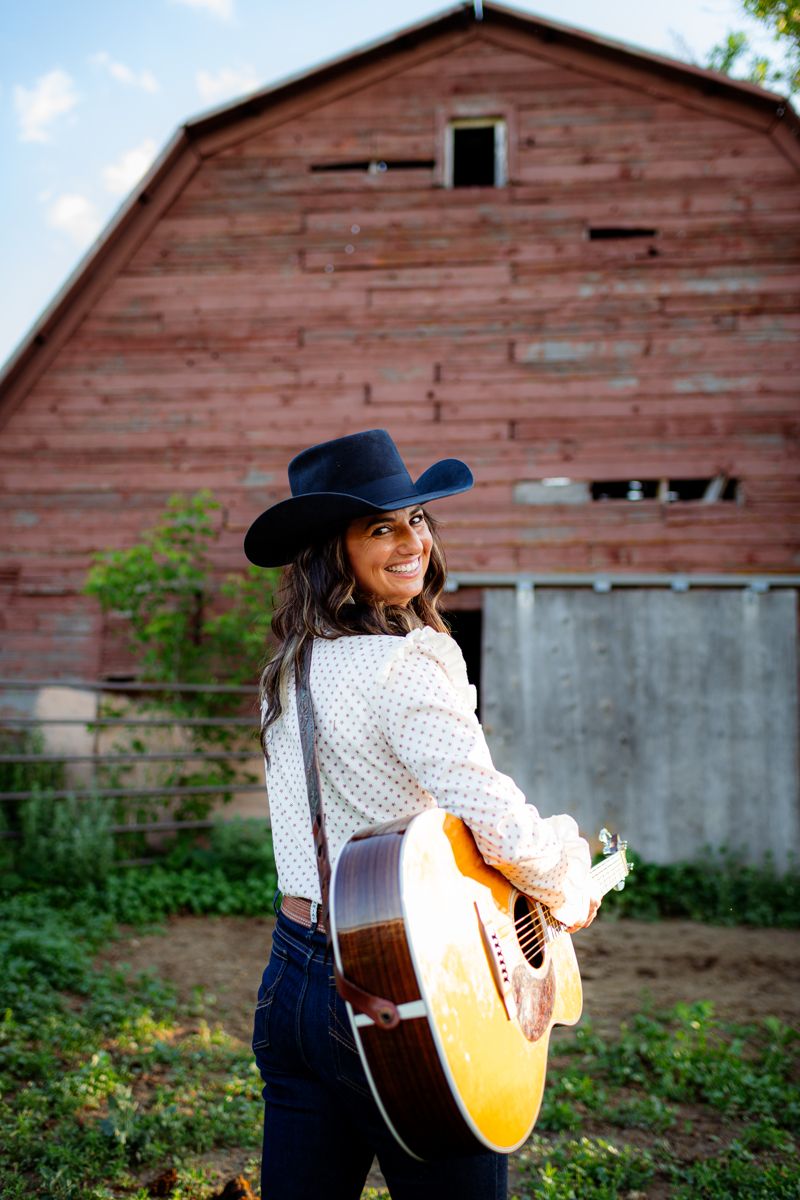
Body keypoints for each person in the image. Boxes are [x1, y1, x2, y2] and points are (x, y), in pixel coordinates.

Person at [243, 428, 600, 1200]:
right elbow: (493, 822)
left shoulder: (288, 668)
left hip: (293, 979)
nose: (413, 542)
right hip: (399, 984)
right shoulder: (410, 662)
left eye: (419, 519)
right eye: (381, 527)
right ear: (331, 551)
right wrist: (567, 881)